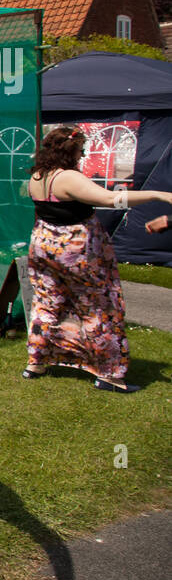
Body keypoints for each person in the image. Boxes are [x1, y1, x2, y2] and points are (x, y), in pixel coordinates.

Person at [22, 126, 172, 393]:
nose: (81, 156)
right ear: (70, 152)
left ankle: (37, 362)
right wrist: (158, 195)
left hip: (43, 246)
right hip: (75, 252)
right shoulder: (67, 177)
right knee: (99, 307)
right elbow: (111, 199)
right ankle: (110, 374)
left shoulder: (37, 176)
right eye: (80, 151)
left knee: (46, 303)